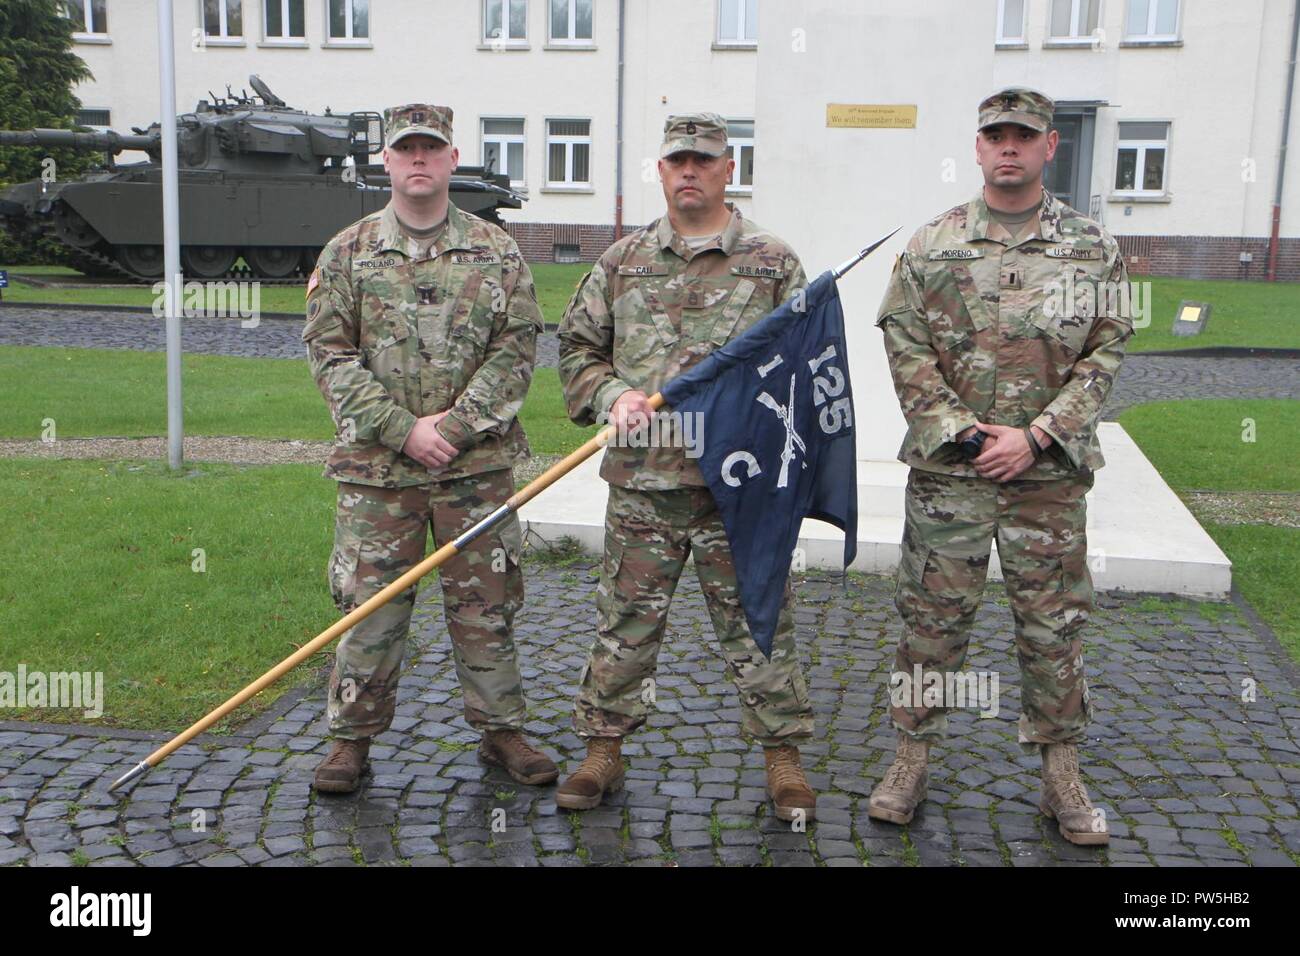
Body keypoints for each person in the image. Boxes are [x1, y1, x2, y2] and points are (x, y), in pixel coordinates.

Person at [870, 87, 1132, 845]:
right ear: (978, 148)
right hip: (954, 475)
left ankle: (1060, 775)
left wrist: (1040, 435)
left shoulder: (1091, 249)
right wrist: (964, 432)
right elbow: (905, 345)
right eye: (996, 136)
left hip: (1046, 481)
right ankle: (910, 757)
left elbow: (1106, 353)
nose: (1008, 147)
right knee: (931, 622)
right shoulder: (932, 245)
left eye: (1024, 136)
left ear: (1051, 146)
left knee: (1053, 628)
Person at [554, 113, 819, 822]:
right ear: (662, 170)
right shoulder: (622, 262)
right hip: (646, 486)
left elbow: (804, 365)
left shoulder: (772, 263)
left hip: (738, 489)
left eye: (704, 159)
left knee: (761, 621)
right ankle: (603, 748)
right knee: (626, 624)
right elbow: (578, 350)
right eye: (678, 160)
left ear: (729, 168)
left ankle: (782, 755)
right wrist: (611, 396)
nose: (690, 171)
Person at [302, 103, 555, 793]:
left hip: (474, 470)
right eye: (405, 148)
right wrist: (403, 429)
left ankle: (502, 731)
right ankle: (350, 741)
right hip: (379, 475)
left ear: (451, 159)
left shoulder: (496, 251)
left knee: (488, 603)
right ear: (385, 160)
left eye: (431, 148)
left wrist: (455, 427)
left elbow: (516, 349)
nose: (418, 159)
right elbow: (331, 359)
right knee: (370, 609)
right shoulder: (347, 253)